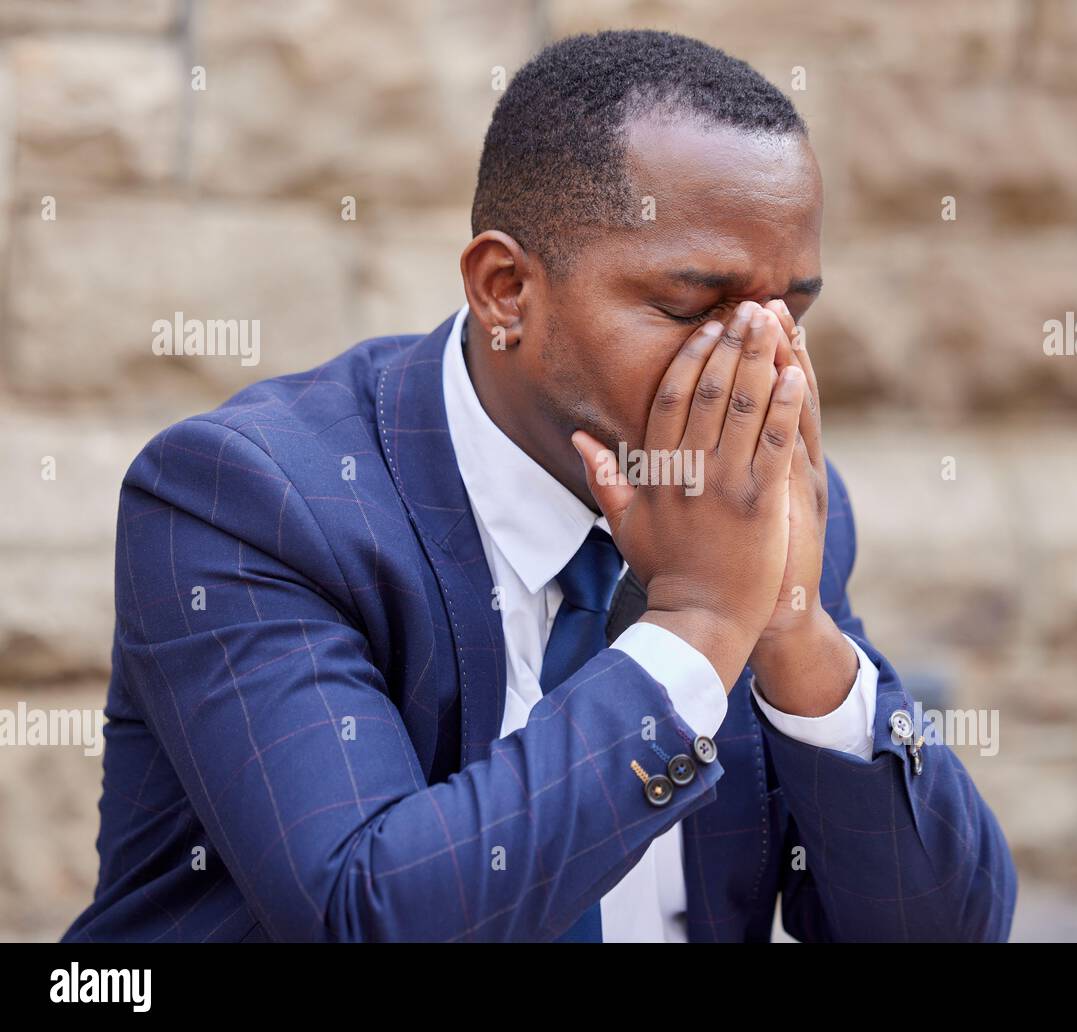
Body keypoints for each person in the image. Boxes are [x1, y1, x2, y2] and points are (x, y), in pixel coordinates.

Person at [63, 29, 1016, 942]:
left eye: (789, 315)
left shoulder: (771, 509)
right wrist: (694, 627)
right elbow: (367, 914)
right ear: (505, 290)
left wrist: (795, 635)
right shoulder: (249, 500)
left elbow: (945, 929)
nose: (757, 365)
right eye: (692, 307)